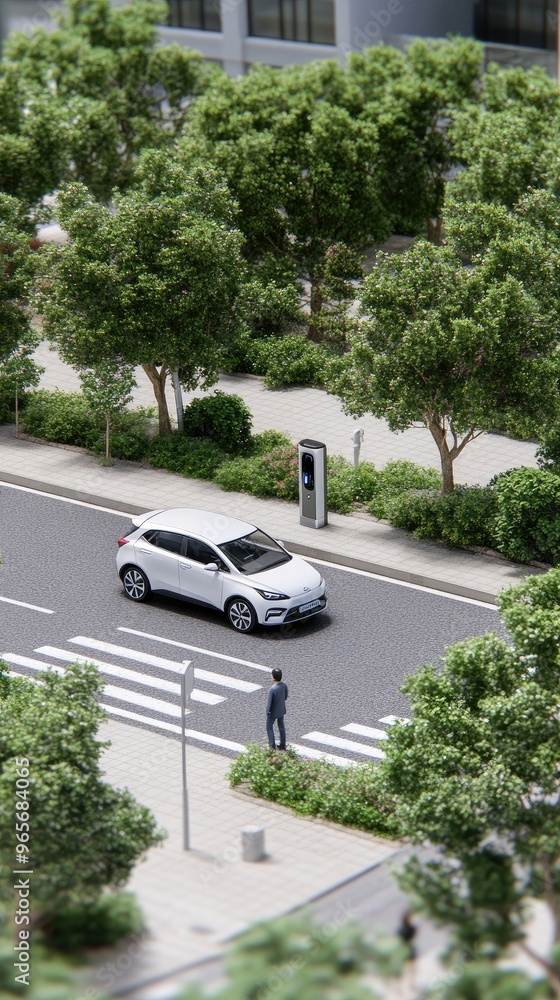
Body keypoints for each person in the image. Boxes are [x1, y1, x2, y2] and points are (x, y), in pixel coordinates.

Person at [266, 667, 288, 751]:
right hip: (281, 710)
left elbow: (269, 703)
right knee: (281, 727)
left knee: (269, 727)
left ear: (273, 677)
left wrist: (268, 712)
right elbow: (285, 696)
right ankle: (282, 745)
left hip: (273, 712)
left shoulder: (273, 689)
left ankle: (272, 746)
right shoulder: (284, 685)